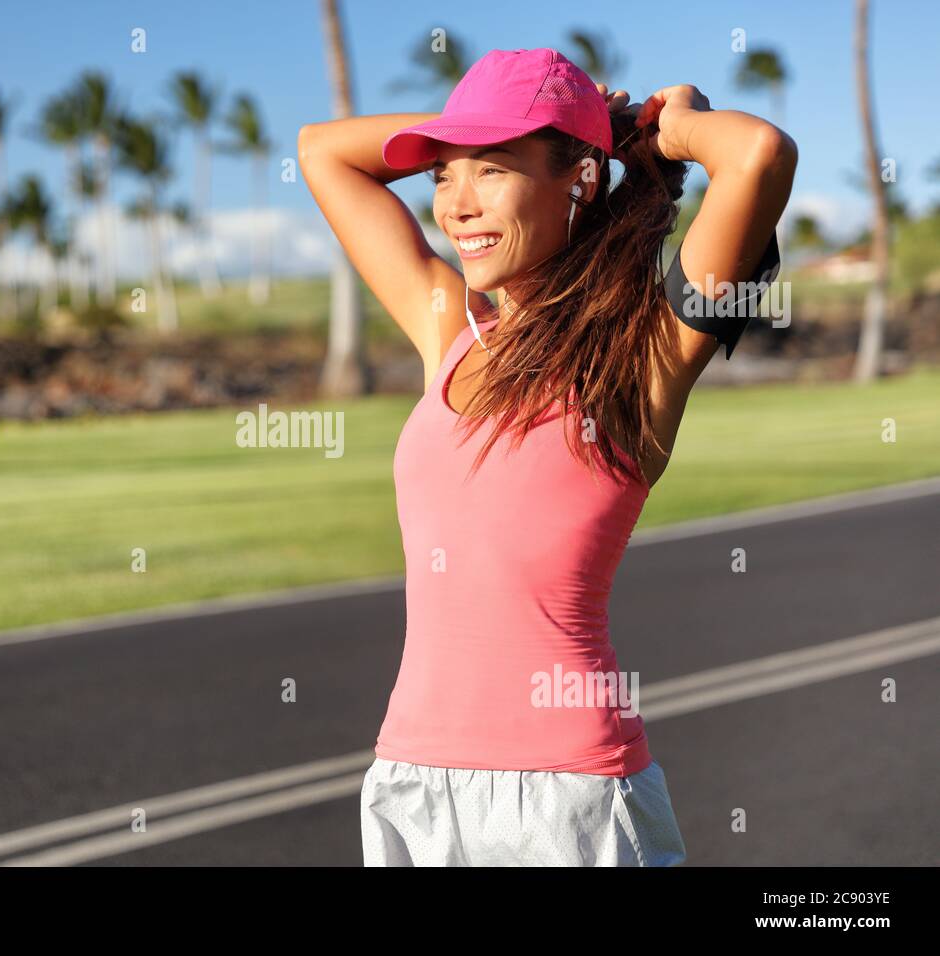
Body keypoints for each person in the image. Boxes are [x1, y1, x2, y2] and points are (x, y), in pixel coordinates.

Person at [298, 47, 795, 866]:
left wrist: (651, 130)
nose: (456, 205)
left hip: (569, 802)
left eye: (491, 170)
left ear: (579, 179)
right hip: (412, 781)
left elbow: (757, 155)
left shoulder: (646, 356)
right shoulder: (448, 332)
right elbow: (322, 150)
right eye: (442, 176)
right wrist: (476, 129)